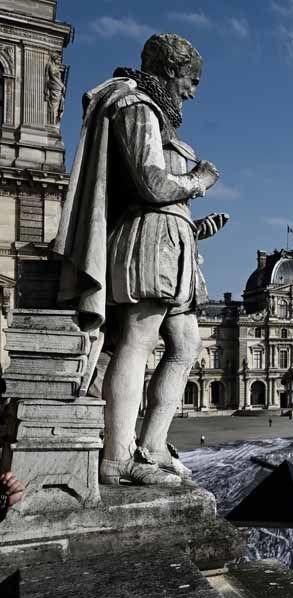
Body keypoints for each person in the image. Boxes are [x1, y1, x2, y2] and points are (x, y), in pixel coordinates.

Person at [52, 33, 228, 486]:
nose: (193, 90)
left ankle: (151, 447)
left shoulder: (155, 115)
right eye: (191, 80)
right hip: (150, 237)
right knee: (136, 340)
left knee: (186, 345)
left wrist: (195, 224)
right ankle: (117, 455)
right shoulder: (136, 107)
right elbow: (152, 184)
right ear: (170, 70)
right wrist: (198, 180)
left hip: (172, 239)